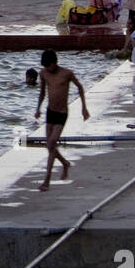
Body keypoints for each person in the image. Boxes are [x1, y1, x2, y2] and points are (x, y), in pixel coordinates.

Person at [34, 49, 89, 191]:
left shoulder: (67, 74)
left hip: (62, 113)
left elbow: (80, 88)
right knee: (49, 145)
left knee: (52, 143)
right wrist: (38, 108)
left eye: (49, 66)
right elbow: (42, 92)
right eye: (45, 66)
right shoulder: (43, 73)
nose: (47, 69)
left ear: (55, 63)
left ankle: (47, 180)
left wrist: (84, 108)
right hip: (50, 112)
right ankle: (64, 163)